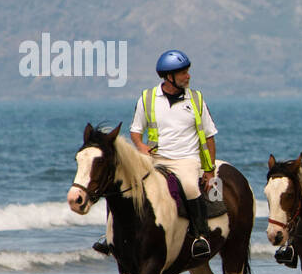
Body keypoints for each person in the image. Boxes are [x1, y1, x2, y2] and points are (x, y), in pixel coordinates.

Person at [93, 49, 217, 259]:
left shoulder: (196, 99)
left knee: (188, 186)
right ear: (169, 77)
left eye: (187, 72)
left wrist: (209, 170)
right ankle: (110, 235)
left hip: (186, 159)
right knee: (121, 182)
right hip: (156, 158)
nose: (188, 76)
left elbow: (210, 136)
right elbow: (135, 130)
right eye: (183, 73)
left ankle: (200, 236)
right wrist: (140, 147)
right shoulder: (147, 98)